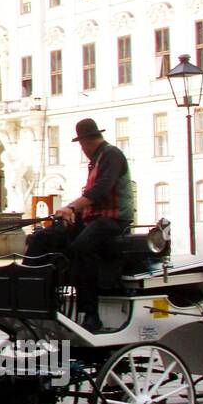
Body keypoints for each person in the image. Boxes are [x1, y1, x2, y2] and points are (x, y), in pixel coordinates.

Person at [24, 118, 132, 332]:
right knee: (42, 238)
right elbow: (92, 196)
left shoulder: (112, 155)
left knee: (83, 246)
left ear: (85, 142)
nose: (82, 150)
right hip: (93, 220)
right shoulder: (97, 159)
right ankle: (32, 298)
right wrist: (69, 216)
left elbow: (101, 190)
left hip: (114, 219)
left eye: (81, 146)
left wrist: (72, 208)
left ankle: (91, 314)